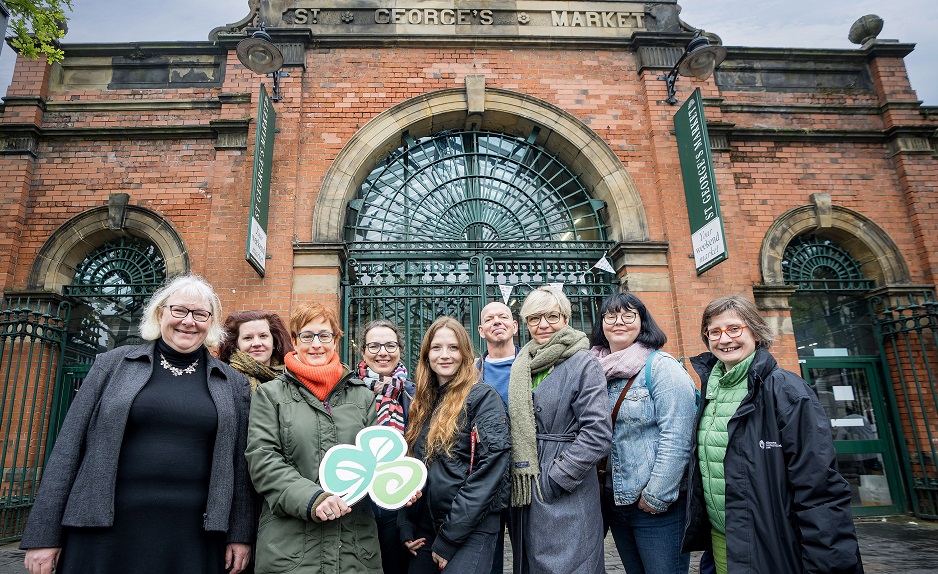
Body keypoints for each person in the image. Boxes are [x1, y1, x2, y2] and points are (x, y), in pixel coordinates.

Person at [20, 275, 253, 574]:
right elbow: (68, 450)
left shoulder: (232, 382)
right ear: (160, 314)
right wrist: (43, 536)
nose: (188, 322)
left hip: (195, 534)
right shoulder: (113, 365)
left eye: (200, 314)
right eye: (179, 311)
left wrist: (240, 534)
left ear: (211, 323)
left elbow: (240, 465)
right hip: (103, 529)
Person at [682, 295, 863, 574]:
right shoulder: (711, 389)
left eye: (734, 329)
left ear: (755, 331)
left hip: (772, 541)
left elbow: (819, 486)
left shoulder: (786, 390)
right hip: (723, 537)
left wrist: (827, 563)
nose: (724, 339)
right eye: (714, 332)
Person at [246, 302, 384, 573]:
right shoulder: (271, 395)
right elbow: (263, 460)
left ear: (336, 339)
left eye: (325, 335)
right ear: (294, 341)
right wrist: (313, 498)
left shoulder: (362, 397)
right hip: (291, 551)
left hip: (354, 550)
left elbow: (373, 463)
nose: (316, 344)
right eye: (307, 336)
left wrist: (398, 485)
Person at [588, 292, 696, 574]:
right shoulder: (593, 370)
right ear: (601, 323)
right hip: (615, 502)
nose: (618, 322)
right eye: (610, 315)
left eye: (628, 315)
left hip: (656, 507)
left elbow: (678, 436)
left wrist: (657, 495)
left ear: (642, 322)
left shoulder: (661, 367)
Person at [508, 286, 612, 574]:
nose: (543, 325)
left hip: (566, 487)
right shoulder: (524, 362)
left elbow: (598, 433)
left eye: (551, 316)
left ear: (566, 319)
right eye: (534, 318)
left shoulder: (583, 361)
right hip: (527, 484)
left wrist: (556, 478)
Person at [401, 317, 511, 574]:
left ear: (465, 353)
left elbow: (492, 469)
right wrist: (405, 523)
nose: (445, 355)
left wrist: (451, 538)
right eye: (437, 348)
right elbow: (413, 466)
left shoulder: (483, 397)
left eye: (453, 347)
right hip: (425, 529)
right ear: (427, 354)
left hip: (470, 529)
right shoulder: (423, 402)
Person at [358, 319, 416, 574]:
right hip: (359, 506)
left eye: (390, 345)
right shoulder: (347, 392)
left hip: (401, 504)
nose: (383, 352)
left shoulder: (415, 394)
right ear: (363, 352)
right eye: (374, 346)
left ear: (399, 350)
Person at [475, 302, 519, 574]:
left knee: (529, 553)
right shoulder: (471, 372)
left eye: (503, 317)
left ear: (515, 326)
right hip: (487, 475)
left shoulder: (534, 366)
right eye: (489, 319)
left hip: (525, 475)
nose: (497, 322)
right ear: (481, 330)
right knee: (488, 557)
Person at [217, 310, 293, 395]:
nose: (257, 343)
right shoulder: (223, 379)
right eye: (248, 338)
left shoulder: (292, 379)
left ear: (274, 342)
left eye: (263, 336)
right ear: (235, 344)